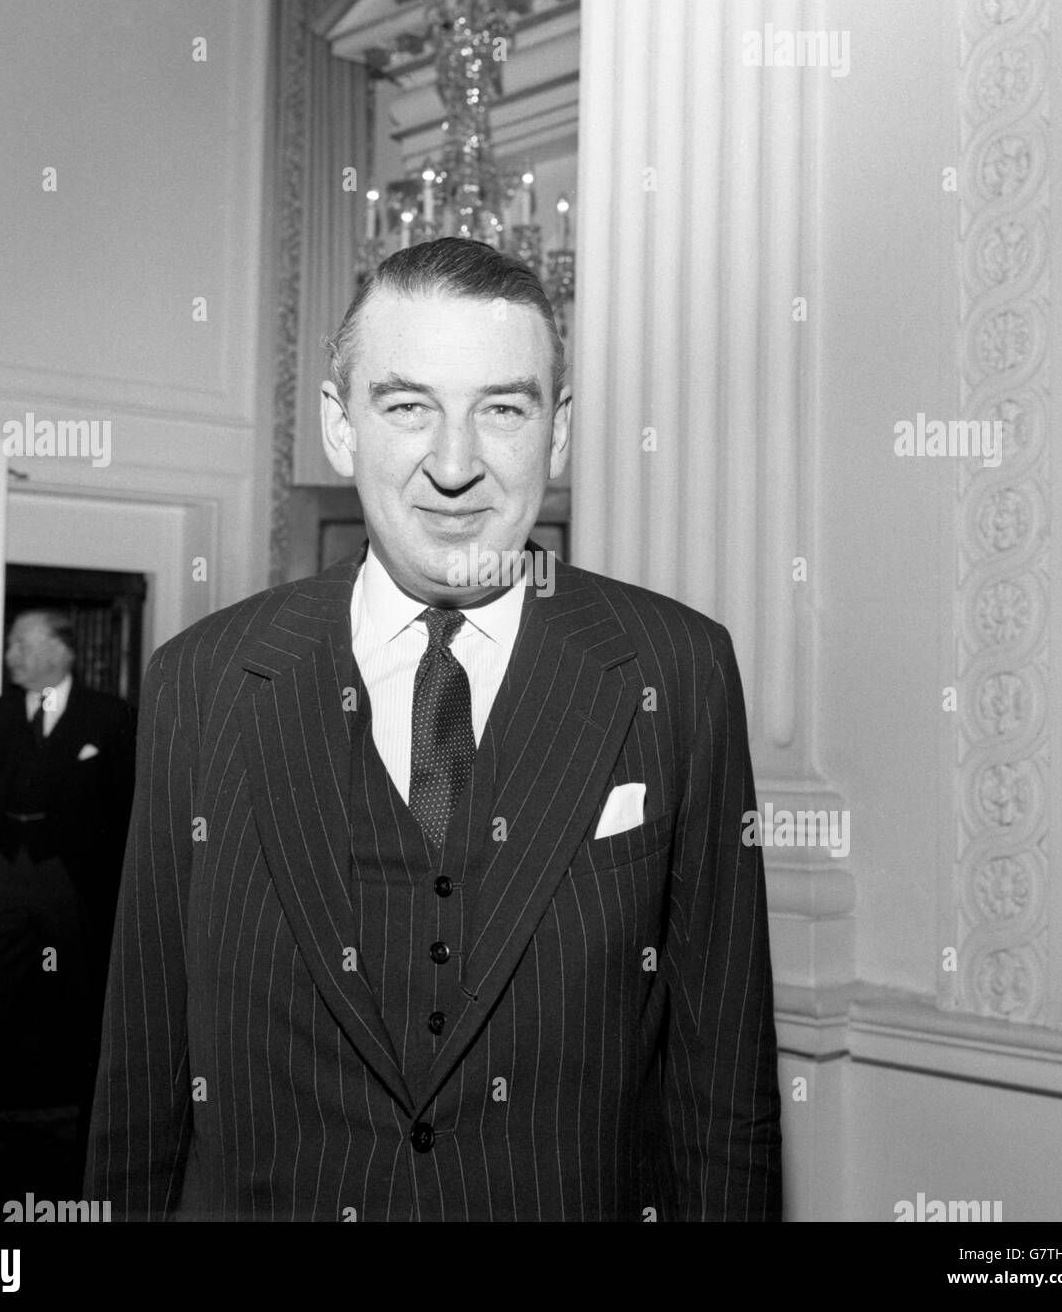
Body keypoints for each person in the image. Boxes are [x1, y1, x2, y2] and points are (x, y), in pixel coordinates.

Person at [86, 238, 781, 1220]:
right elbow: (142, 1079)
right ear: (341, 427)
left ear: (560, 431)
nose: (455, 465)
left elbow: (725, 1098)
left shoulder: (675, 670)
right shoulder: (202, 681)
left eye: (501, 408)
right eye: (408, 406)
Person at [0, 610, 135, 1185]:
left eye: (22, 643)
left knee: (91, 1020)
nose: (11, 655)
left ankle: (97, 1158)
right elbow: (2, 786)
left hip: (77, 887)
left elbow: (125, 808)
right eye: (12, 644)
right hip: (11, 879)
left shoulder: (108, 714)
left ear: (61, 652)